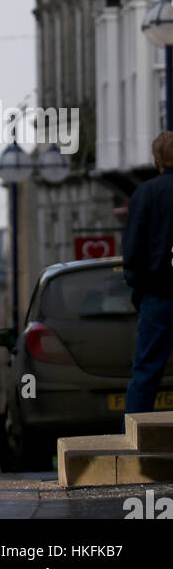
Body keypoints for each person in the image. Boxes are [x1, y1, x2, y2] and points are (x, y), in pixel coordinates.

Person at [122, 129, 173, 419]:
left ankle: (135, 442)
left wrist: (139, 288)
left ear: (157, 161)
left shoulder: (145, 194)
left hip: (158, 294)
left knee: (146, 372)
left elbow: (133, 248)